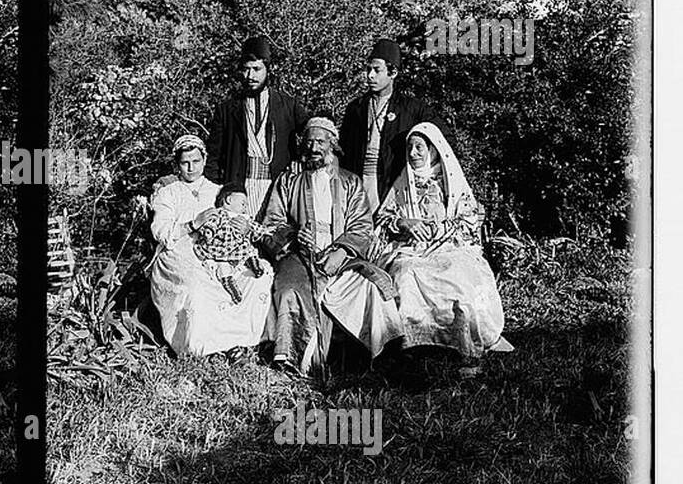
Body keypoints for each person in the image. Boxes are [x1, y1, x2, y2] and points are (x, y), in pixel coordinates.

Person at [260, 117, 401, 376]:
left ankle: (382, 358)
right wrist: (293, 235)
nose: (314, 147)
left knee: (373, 285)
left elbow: (362, 226)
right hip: (299, 256)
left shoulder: (351, 182)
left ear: (332, 145)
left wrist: (342, 251)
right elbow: (271, 224)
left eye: (321, 141)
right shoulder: (289, 180)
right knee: (290, 290)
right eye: (310, 141)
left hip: (341, 256)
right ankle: (293, 361)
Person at [374, 122, 512, 363]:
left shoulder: (451, 181)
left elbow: (469, 220)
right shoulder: (402, 183)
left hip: (451, 247)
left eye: (419, 147)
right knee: (406, 277)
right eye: (410, 148)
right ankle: (417, 346)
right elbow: (384, 218)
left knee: (460, 279)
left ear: (434, 150)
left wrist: (441, 229)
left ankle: (460, 343)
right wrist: (405, 223)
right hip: (413, 250)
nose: (413, 153)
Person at [147, 134, 273, 357]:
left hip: (222, 251)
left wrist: (244, 228)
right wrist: (193, 223)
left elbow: (242, 217)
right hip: (179, 251)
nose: (191, 168)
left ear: (204, 161)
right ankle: (202, 348)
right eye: (185, 162)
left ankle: (241, 342)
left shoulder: (218, 191)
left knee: (259, 276)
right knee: (197, 285)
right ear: (177, 165)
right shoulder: (168, 192)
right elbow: (161, 232)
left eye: (196, 161)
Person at [206, 27, 311, 217]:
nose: (251, 76)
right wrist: (217, 188)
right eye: (246, 69)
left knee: (272, 238)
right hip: (239, 189)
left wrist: (300, 161)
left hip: (277, 186)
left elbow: (312, 132)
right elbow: (214, 155)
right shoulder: (227, 109)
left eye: (257, 69)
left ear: (268, 69)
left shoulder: (287, 105)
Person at [339, 36, 446, 211]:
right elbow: (343, 151)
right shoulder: (356, 108)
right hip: (357, 185)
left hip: (395, 185)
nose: (370, 75)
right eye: (368, 70)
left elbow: (444, 139)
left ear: (393, 73)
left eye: (376, 70)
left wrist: (425, 173)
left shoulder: (411, 108)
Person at [191, 184, 268, 303]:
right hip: (221, 248)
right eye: (243, 204)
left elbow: (254, 227)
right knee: (222, 265)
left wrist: (263, 231)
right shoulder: (220, 214)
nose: (245, 208)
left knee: (249, 249)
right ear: (229, 200)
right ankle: (228, 281)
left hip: (237, 248)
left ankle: (253, 263)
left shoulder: (244, 217)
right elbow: (212, 223)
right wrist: (209, 232)